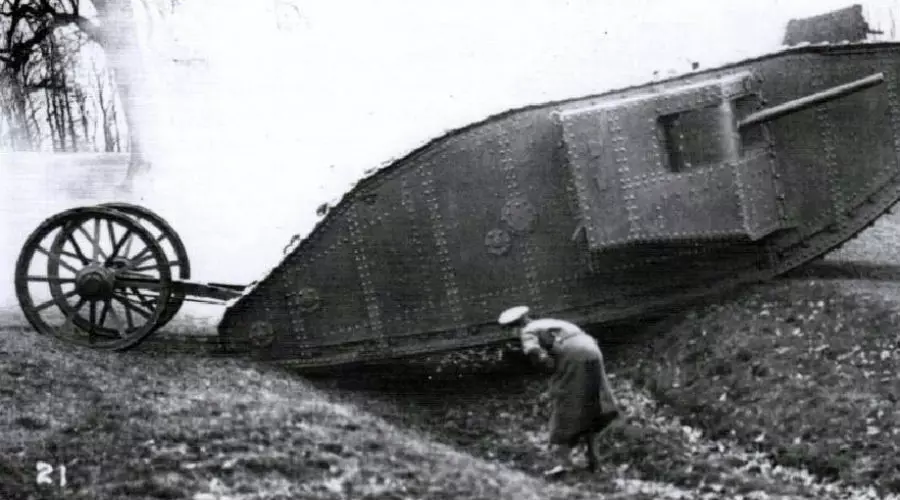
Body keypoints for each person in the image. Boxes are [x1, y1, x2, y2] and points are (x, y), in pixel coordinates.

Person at [498, 305, 620, 477]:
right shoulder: (549, 322)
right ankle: (595, 461)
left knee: (565, 405)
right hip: (592, 351)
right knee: (593, 404)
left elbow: (536, 353)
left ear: (515, 327)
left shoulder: (526, 331)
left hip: (573, 359)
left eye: (509, 330)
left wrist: (548, 368)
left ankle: (565, 465)